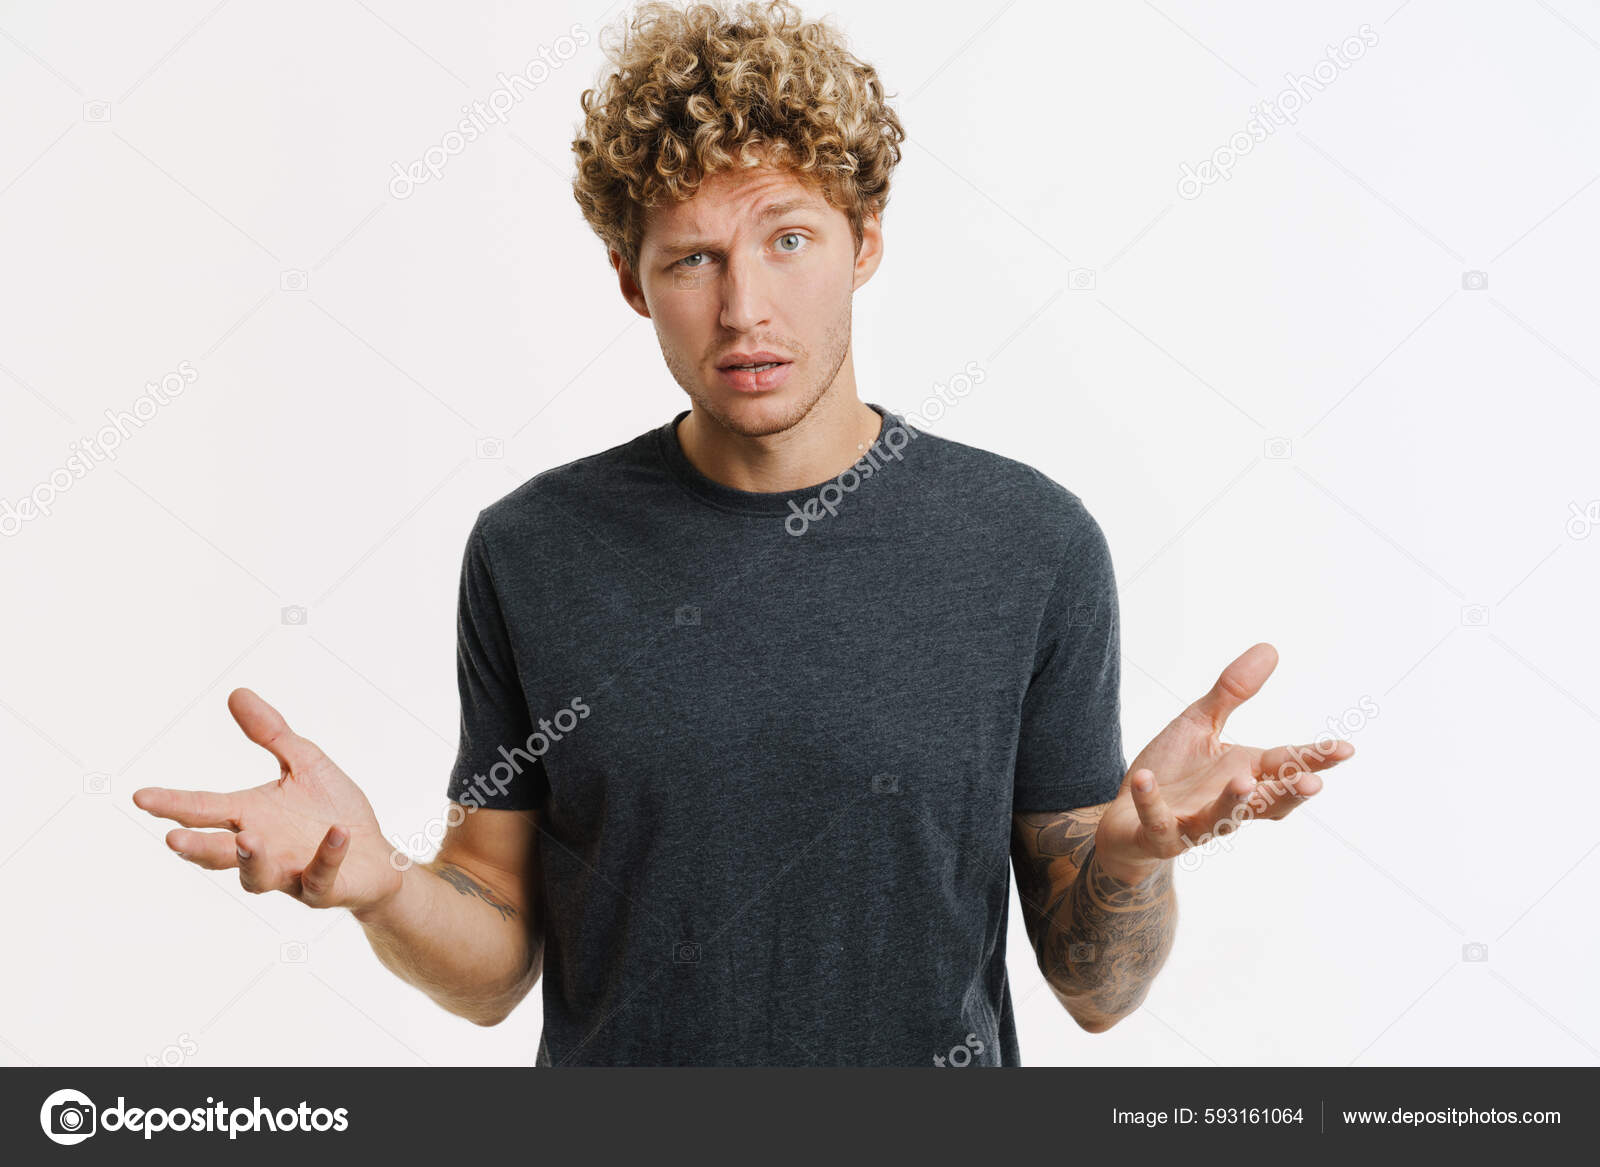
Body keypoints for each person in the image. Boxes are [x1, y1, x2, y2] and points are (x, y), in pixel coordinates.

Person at [133, 0, 1353, 1066]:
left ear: (864, 242)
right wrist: (381, 885)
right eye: (691, 260)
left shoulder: (1027, 544)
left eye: (787, 240)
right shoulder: (533, 549)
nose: (744, 308)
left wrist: (1135, 857)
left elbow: (1093, 991)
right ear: (630, 280)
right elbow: (495, 953)